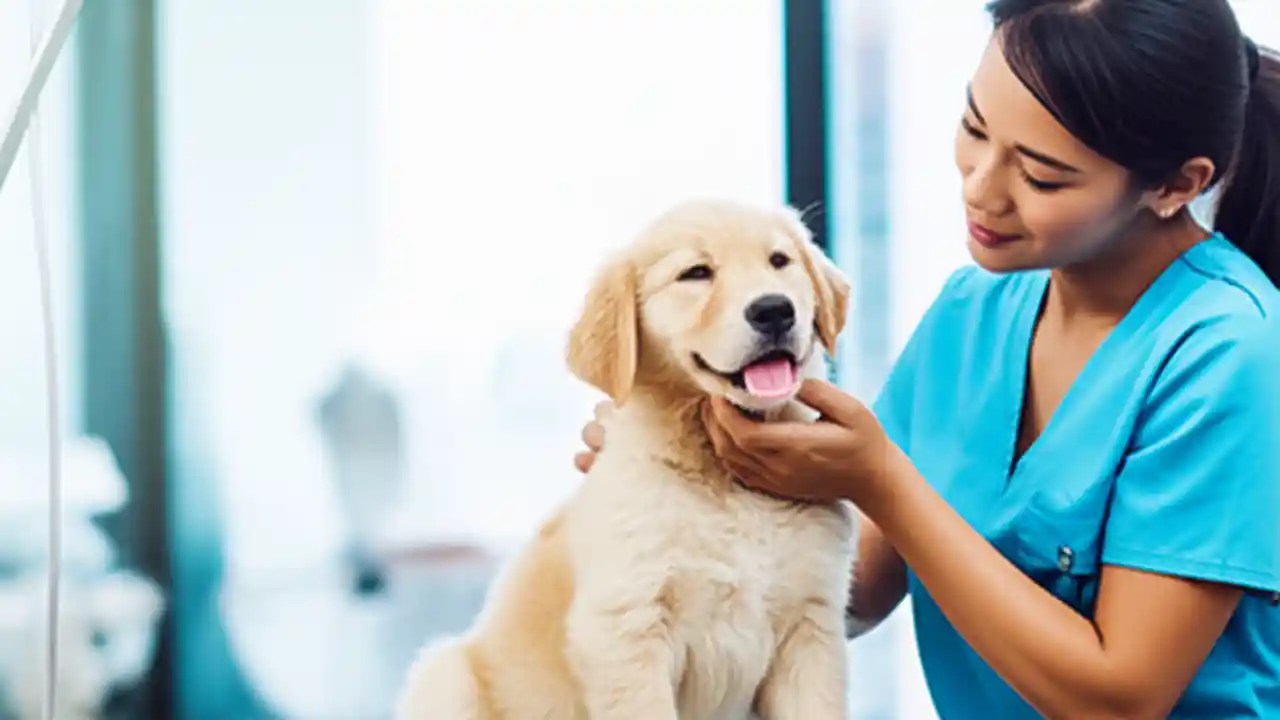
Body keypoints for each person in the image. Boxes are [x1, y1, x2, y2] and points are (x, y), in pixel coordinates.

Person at [576, 1, 1280, 717]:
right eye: (975, 127)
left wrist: (883, 483)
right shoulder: (974, 311)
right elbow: (850, 594)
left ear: (1177, 185)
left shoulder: (1231, 353)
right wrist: (694, 493)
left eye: (1041, 176)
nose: (979, 186)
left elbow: (1119, 699)